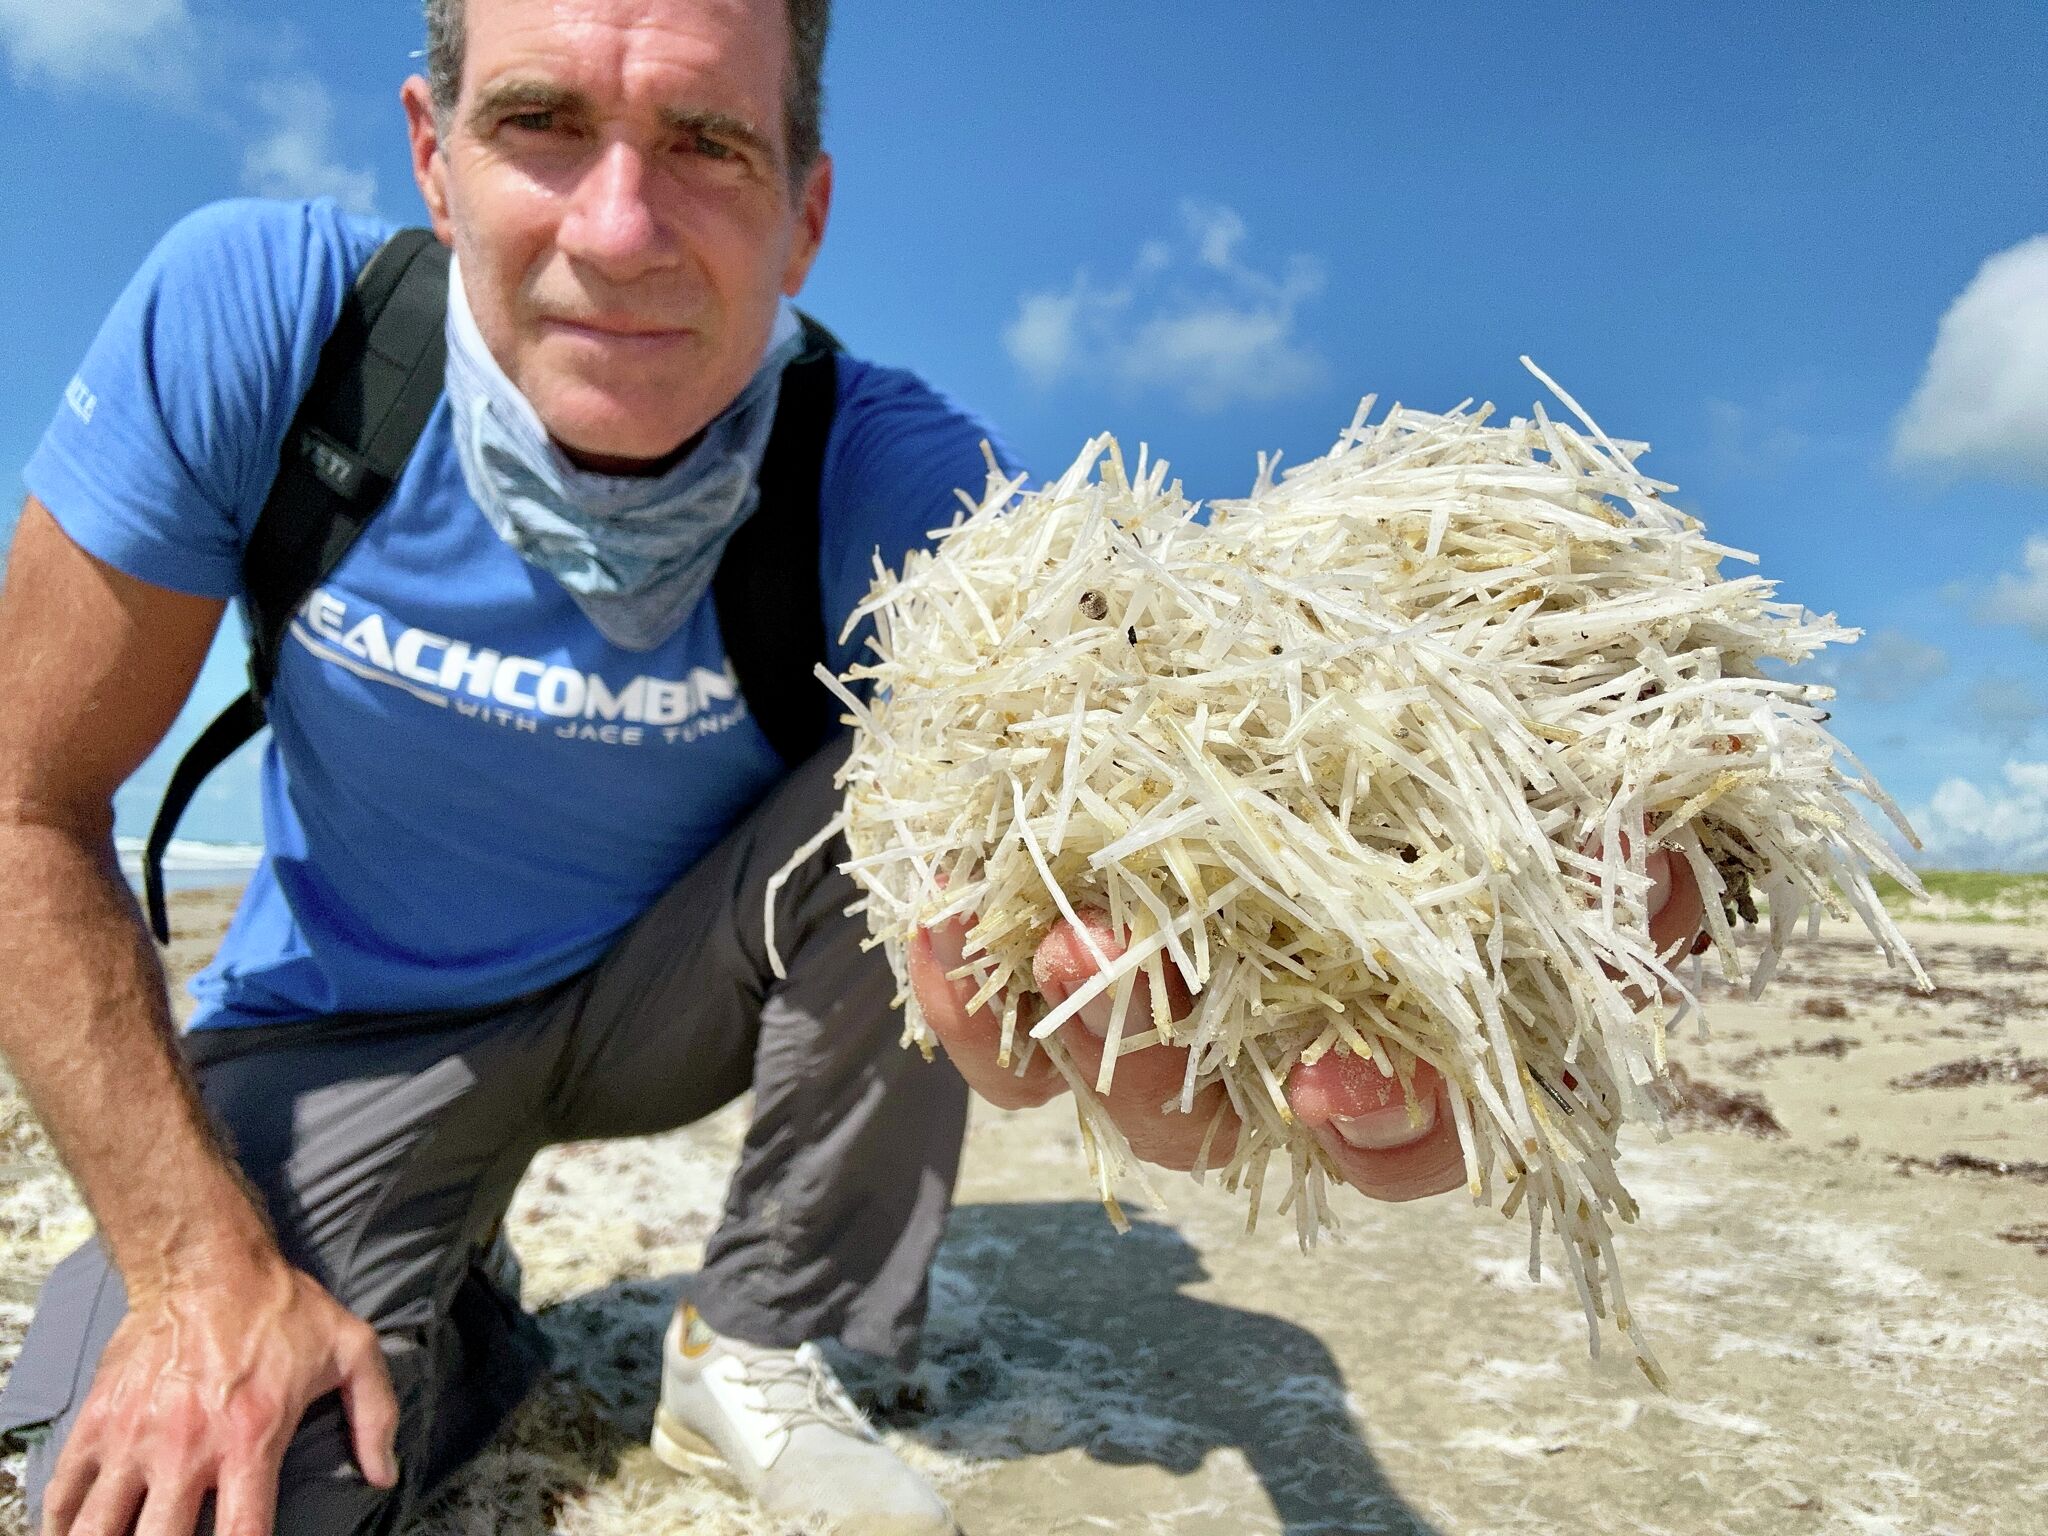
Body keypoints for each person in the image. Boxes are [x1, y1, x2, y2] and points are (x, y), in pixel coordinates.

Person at [0, 3, 1711, 1534]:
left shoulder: (886, 467)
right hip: (341, 1037)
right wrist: (198, 1268)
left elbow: (1153, 698)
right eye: (539, 124)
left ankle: (758, 1343)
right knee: (217, 1486)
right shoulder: (276, 328)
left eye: (707, 143)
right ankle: (450, 1288)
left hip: (670, 1000)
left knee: (933, 782)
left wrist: (1420, 858)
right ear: (433, 153)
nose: (619, 227)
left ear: (806, 212)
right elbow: (19, 805)